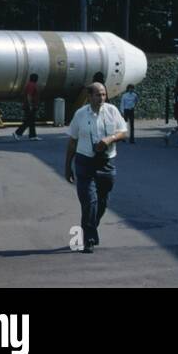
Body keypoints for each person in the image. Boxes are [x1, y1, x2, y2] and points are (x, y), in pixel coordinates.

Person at [64, 82, 128, 253]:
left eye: (103, 95)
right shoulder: (80, 115)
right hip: (84, 162)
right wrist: (67, 166)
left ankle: (90, 226)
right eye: (98, 95)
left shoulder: (112, 111)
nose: (101, 98)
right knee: (89, 201)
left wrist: (109, 139)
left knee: (102, 202)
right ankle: (89, 239)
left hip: (106, 162)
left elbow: (123, 131)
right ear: (89, 96)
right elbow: (72, 141)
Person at [14, 73, 40, 141]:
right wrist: (31, 105)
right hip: (30, 106)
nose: (37, 79)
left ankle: (32, 136)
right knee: (28, 121)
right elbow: (29, 95)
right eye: (37, 78)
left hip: (30, 106)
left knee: (31, 121)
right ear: (35, 78)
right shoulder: (31, 85)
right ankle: (17, 133)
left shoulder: (30, 84)